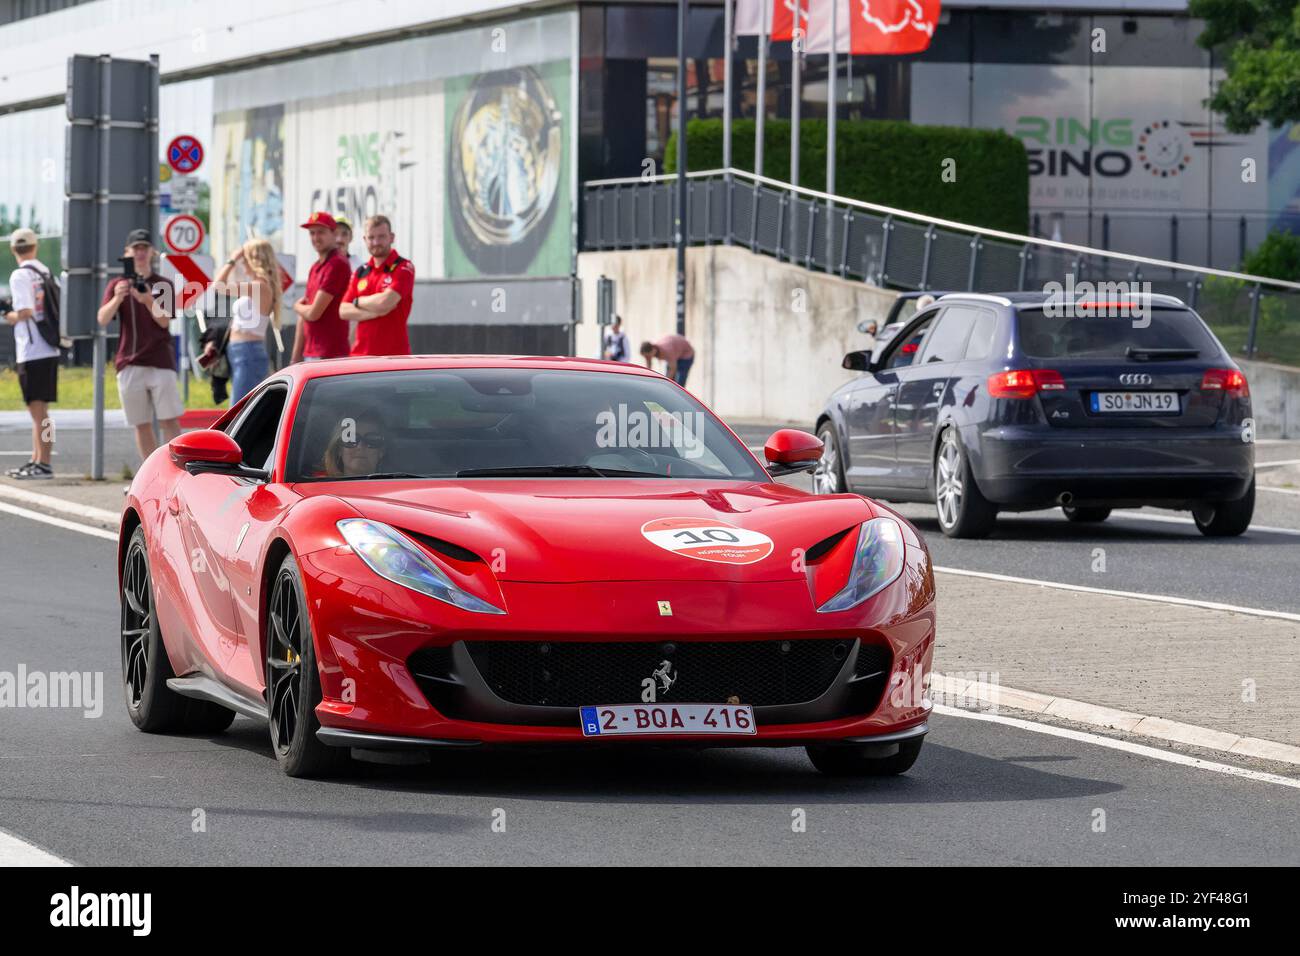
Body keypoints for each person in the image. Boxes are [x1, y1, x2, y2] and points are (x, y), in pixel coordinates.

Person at [95, 229, 184, 462]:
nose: (140, 253)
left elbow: (164, 320)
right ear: (127, 252)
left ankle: (177, 470)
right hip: (129, 361)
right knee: (141, 424)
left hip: (160, 361)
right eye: (136, 248)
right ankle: (151, 474)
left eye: (145, 248)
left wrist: (147, 299)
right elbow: (102, 319)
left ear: (152, 252)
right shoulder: (118, 284)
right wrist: (117, 298)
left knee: (169, 420)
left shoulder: (163, 284)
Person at [3, 228, 58, 479]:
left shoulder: (19, 275)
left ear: (14, 249)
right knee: (41, 410)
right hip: (49, 345)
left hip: (32, 348)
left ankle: (43, 462)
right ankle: (38, 459)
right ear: (34, 246)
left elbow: (24, 312)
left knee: (39, 411)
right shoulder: (44, 271)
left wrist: (7, 314)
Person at [209, 238, 282, 404]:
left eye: (245, 259)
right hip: (243, 351)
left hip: (248, 351)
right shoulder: (258, 285)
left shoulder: (260, 286)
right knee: (243, 407)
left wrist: (232, 260)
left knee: (238, 408)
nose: (242, 263)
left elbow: (218, 286)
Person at [339, 215, 414, 357]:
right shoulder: (360, 271)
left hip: (395, 357)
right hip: (359, 357)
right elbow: (343, 310)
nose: (376, 242)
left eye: (381, 237)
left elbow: (385, 302)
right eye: (371, 237)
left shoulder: (404, 267)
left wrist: (358, 301)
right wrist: (375, 313)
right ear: (364, 240)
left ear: (391, 237)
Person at [290, 211, 352, 363]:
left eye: (321, 232)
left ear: (333, 233)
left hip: (330, 354)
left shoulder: (337, 264)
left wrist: (296, 306)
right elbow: (306, 317)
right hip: (312, 352)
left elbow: (312, 313)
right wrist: (295, 357)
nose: (316, 238)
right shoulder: (316, 267)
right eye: (312, 233)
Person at [319, 413, 387, 478]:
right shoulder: (320, 487)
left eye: (371, 440)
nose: (360, 446)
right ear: (340, 449)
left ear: (381, 451)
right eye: (351, 439)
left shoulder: (395, 488)